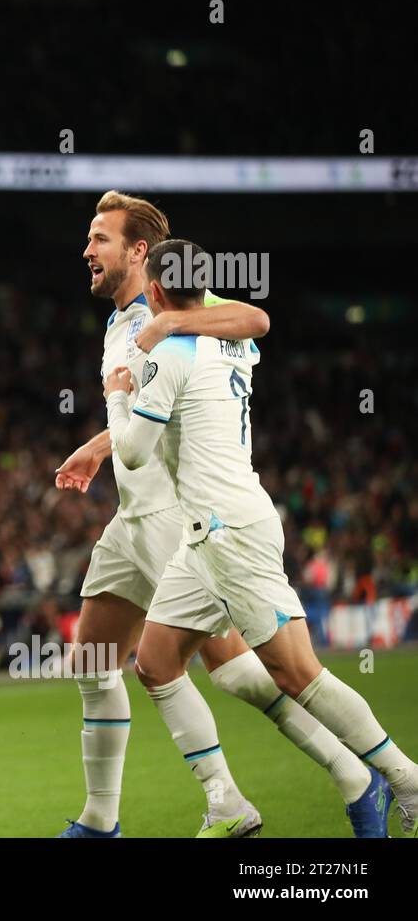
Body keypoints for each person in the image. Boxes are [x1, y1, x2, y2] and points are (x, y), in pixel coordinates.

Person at [54, 191, 367, 838]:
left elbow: (253, 319)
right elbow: (145, 414)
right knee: (92, 662)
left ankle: (347, 775)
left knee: (241, 672)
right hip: (133, 516)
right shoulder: (120, 322)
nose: (86, 250)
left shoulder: (178, 311)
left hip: (179, 515)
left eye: (100, 239)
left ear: (139, 252)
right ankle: (99, 820)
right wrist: (98, 443)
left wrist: (175, 325)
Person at [104, 237, 413, 838]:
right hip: (207, 533)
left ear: (158, 290)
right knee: (157, 661)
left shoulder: (165, 355)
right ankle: (227, 804)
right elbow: (252, 319)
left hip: (230, 530)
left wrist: (119, 397)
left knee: (299, 673)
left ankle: (405, 777)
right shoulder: (228, 338)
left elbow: (135, 454)